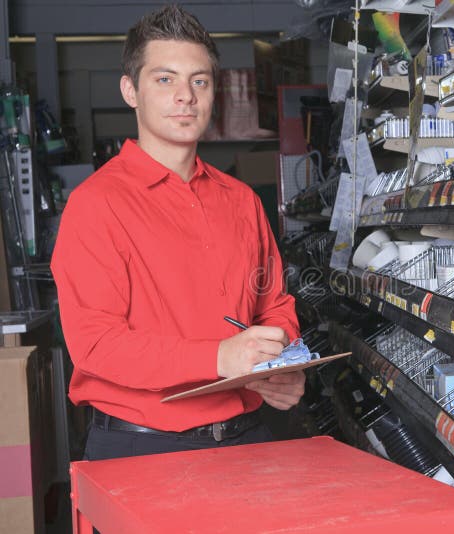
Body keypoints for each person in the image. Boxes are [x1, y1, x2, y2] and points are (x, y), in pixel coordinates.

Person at [51, 4, 304, 461]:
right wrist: (218, 359)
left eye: (199, 81)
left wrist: (280, 362)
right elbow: (95, 344)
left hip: (246, 437)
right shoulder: (96, 205)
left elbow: (275, 306)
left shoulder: (242, 201)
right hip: (141, 447)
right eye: (165, 79)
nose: (185, 96)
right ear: (131, 90)